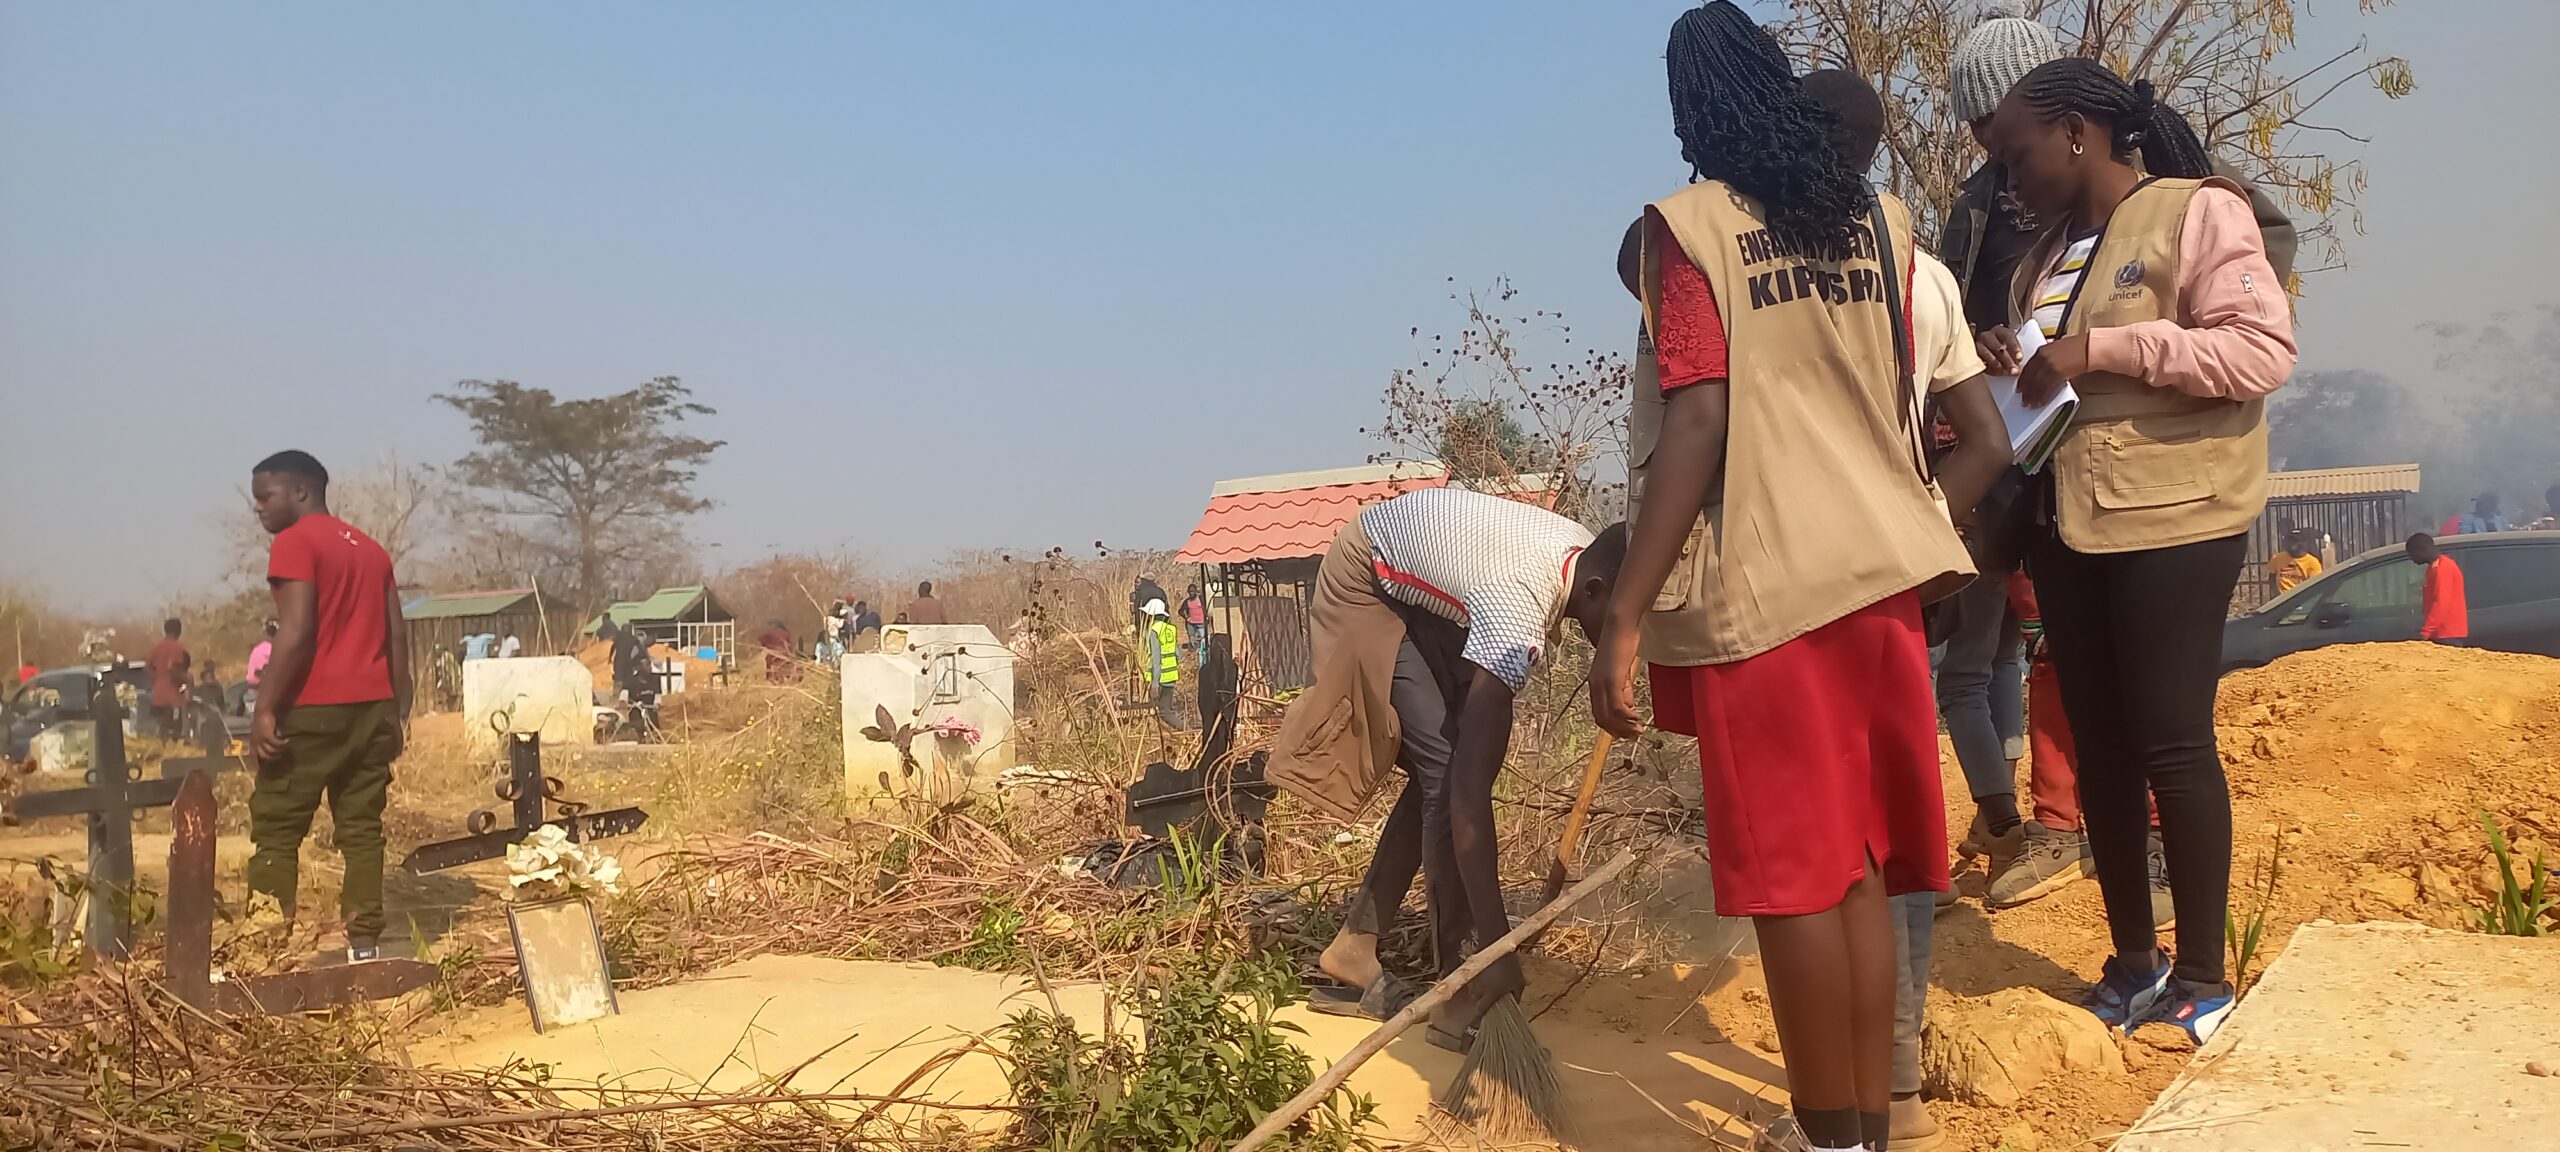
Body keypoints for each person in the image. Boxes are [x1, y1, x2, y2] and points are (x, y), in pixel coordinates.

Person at [1593, 14, 2009, 1148]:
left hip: (1765, 596)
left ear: (1690, 113)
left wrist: (1623, 615)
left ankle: (1828, 1138)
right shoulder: (1879, 222)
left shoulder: (1687, 232)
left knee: (1792, 883)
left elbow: (1701, 419)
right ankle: (1867, 1131)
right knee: (1862, 870)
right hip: (1877, 584)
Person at [1976, 56, 2296, 1047]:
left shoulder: (2197, 213)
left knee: (2169, 740)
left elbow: (2259, 352)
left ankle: (2202, 977)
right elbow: (2052, 390)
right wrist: (2016, 363)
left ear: (2078, 133)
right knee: (2102, 751)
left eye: (2015, 153)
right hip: (2074, 525)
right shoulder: (2046, 259)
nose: (2004, 179)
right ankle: (2131, 962)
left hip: (2177, 519)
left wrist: (2102, 348)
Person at [1802, 67, 2013, 1152]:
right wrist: (1925, 532)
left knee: (1821, 844)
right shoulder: (1920, 274)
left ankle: (1845, 1111)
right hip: (1888, 590)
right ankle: (1895, 1091)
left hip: (1792, 601)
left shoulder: (1770, 278)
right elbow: (1986, 437)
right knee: (1893, 821)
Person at [1274, 487, 1626, 1045]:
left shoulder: (1586, 555)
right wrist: (1496, 946)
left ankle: (1355, 947)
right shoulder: (1520, 602)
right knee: (1449, 775)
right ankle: (1460, 980)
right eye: (1626, 622)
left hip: (1420, 589)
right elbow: (1466, 794)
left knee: (1455, 765)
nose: (1629, 639)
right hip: (1367, 578)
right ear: (1594, 590)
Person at [246, 450, 409, 963]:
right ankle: (365, 946)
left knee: (276, 828)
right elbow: (398, 639)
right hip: (373, 707)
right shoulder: (370, 550)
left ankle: (267, 948)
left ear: (300, 491)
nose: (259, 509)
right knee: (361, 829)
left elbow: (296, 633)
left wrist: (264, 710)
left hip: (313, 710)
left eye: (264, 497)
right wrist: (397, 712)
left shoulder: (294, 543)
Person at [2411, 534, 2468, 645]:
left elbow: (2441, 602)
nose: (2412, 559)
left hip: (2447, 633)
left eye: (2413, 554)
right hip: (2440, 632)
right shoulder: (2433, 568)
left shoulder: (2443, 568)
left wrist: (2426, 631)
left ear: (2422, 550)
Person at [145, 618, 192, 740]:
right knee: (175, 731)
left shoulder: (156, 648)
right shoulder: (177, 648)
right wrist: (185, 680)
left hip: (157, 695)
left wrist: (158, 679)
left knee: (162, 729)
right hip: (172, 697)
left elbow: (147, 668)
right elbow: (174, 669)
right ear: (179, 631)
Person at [1141, 599, 1184, 727]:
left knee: (1165, 712)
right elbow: (1178, 653)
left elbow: (1156, 659)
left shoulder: (1153, 631)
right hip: (1171, 676)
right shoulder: (1171, 629)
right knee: (1166, 710)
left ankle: (1188, 730)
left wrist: (1154, 684)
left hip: (1159, 678)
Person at [2273, 528, 2325, 593]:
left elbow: (2316, 586)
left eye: (2296, 541)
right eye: (2291, 540)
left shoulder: (2312, 562)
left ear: (2303, 543)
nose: (2293, 543)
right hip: (2282, 600)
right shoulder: (2278, 558)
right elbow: (2272, 577)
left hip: (2300, 599)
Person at [2443, 492, 2507, 537]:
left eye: (2481, 503)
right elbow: (2465, 537)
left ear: (2492, 505)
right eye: (2477, 503)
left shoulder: (2501, 521)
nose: (2478, 505)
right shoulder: (2468, 520)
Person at [1181, 584, 1210, 663]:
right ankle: (1195, 654)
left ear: (1196, 592)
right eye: (1190, 592)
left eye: (1193, 591)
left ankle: (1203, 653)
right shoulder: (1187, 602)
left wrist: (1207, 617)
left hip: (1201, 623)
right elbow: (1180, 611)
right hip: (1191, 624)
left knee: (1203, 638)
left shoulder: (1201, 600)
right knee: (1192, 638)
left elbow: (1207, 608)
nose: (1191, 593)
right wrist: (1187, 617)